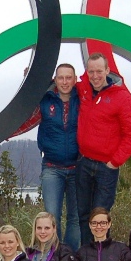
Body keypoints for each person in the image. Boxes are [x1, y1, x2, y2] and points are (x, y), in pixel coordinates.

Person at [12, 64, 82, 250]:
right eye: (61, 78)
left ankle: (71, 258)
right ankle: (55, 258)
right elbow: (25, 121)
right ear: (55, 80)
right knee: (52, 216)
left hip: (78, 167)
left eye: (69, 78)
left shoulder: (82, 99)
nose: (65, 82)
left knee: (75, 217)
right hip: (52, 167)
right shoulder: (46, 100)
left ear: (75, 80)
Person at [74, 53, 131, 245]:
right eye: (91, 71)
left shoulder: (121, 97)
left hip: (106, 168)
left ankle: (102, 260)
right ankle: (86, 258)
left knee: (100, 217)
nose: (95, 76)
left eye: (99, 71)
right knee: (83, 215)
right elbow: (62, 83)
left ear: (107, 71)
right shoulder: (83, 89)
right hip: (84, 163)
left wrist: (114, 162)